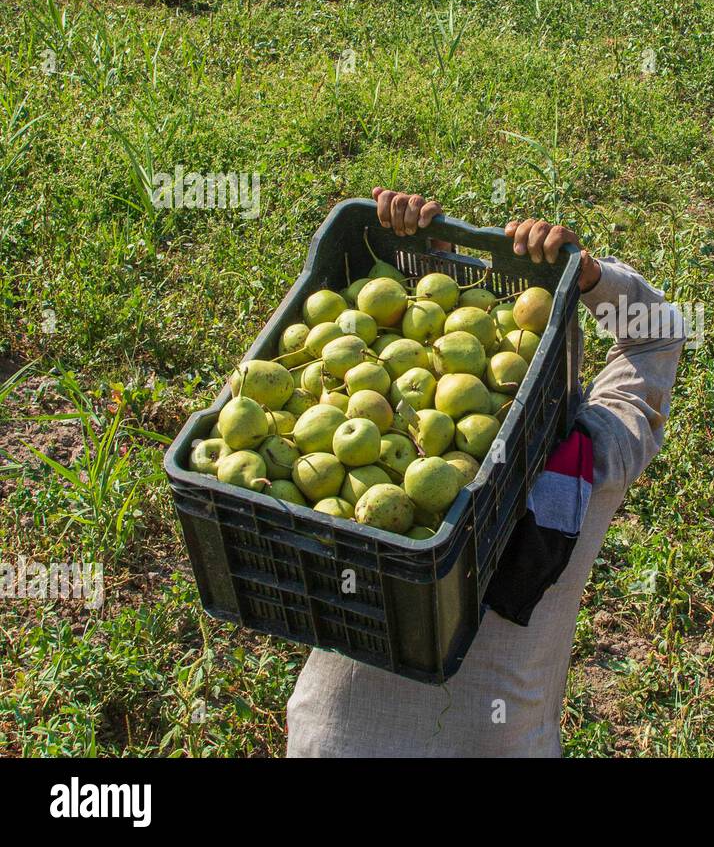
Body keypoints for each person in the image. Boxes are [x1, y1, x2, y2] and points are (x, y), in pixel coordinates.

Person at [287, 188, 685, 756]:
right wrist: (592, 279)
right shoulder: (590, 464)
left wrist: (419, 271)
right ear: (559, 381)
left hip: (334, 740)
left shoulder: (359, 497)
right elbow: (658, 332)